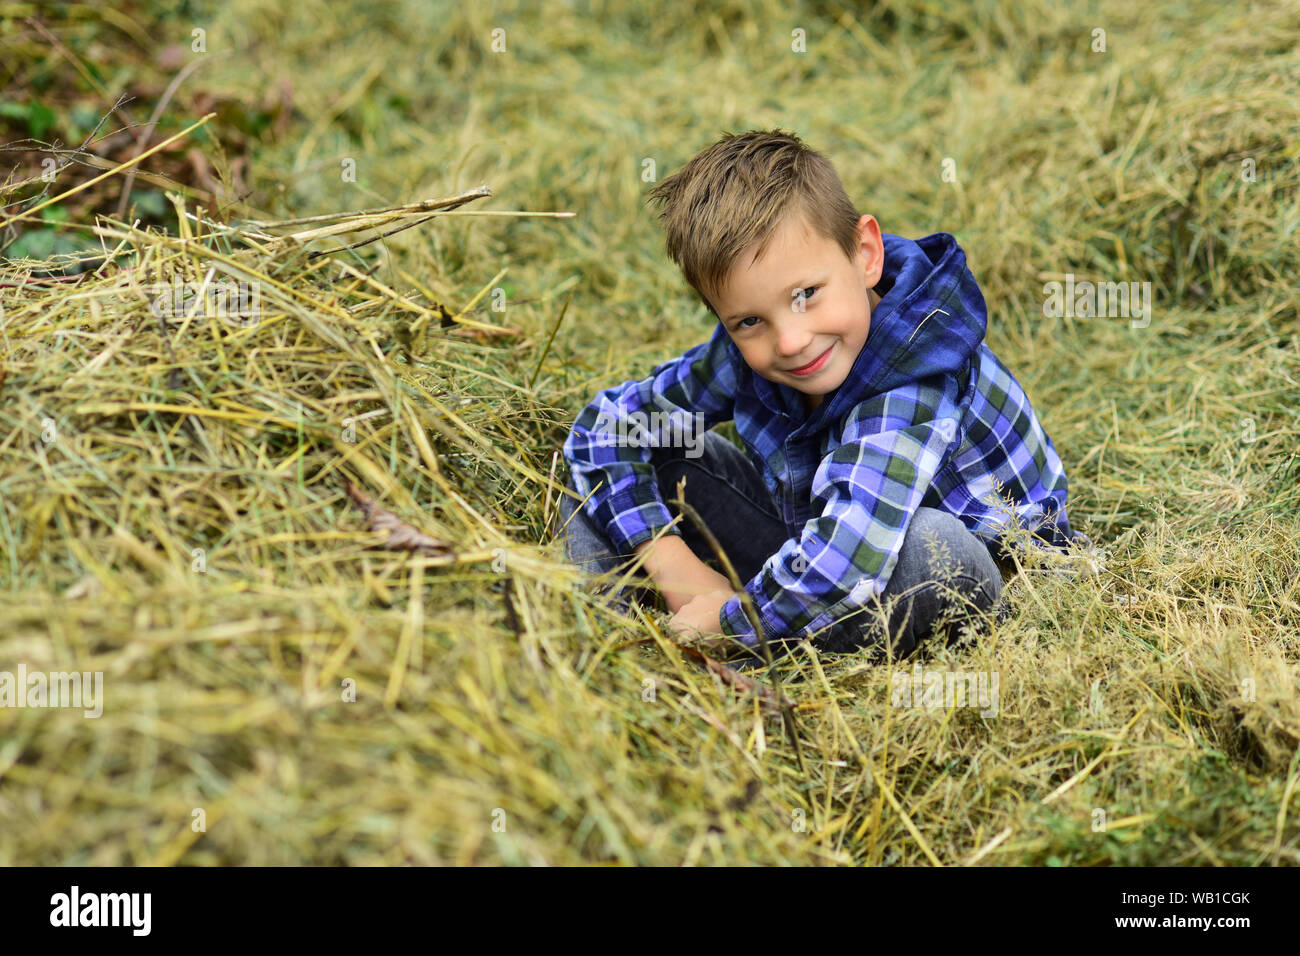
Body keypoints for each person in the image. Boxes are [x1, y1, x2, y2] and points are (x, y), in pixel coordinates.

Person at [555, 129, 1094, 667]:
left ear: (865, 255)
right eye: (749, 320)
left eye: (806, 295)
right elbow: (605, 428)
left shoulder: (915, 372)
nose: (790, 341)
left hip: (945, 580)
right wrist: (673, 567)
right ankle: (610, 652)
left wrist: (728, 625)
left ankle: (746, 658)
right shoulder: (755, 351)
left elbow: (850, 562)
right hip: (817, 543)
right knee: (627, 464)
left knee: (938, 550)